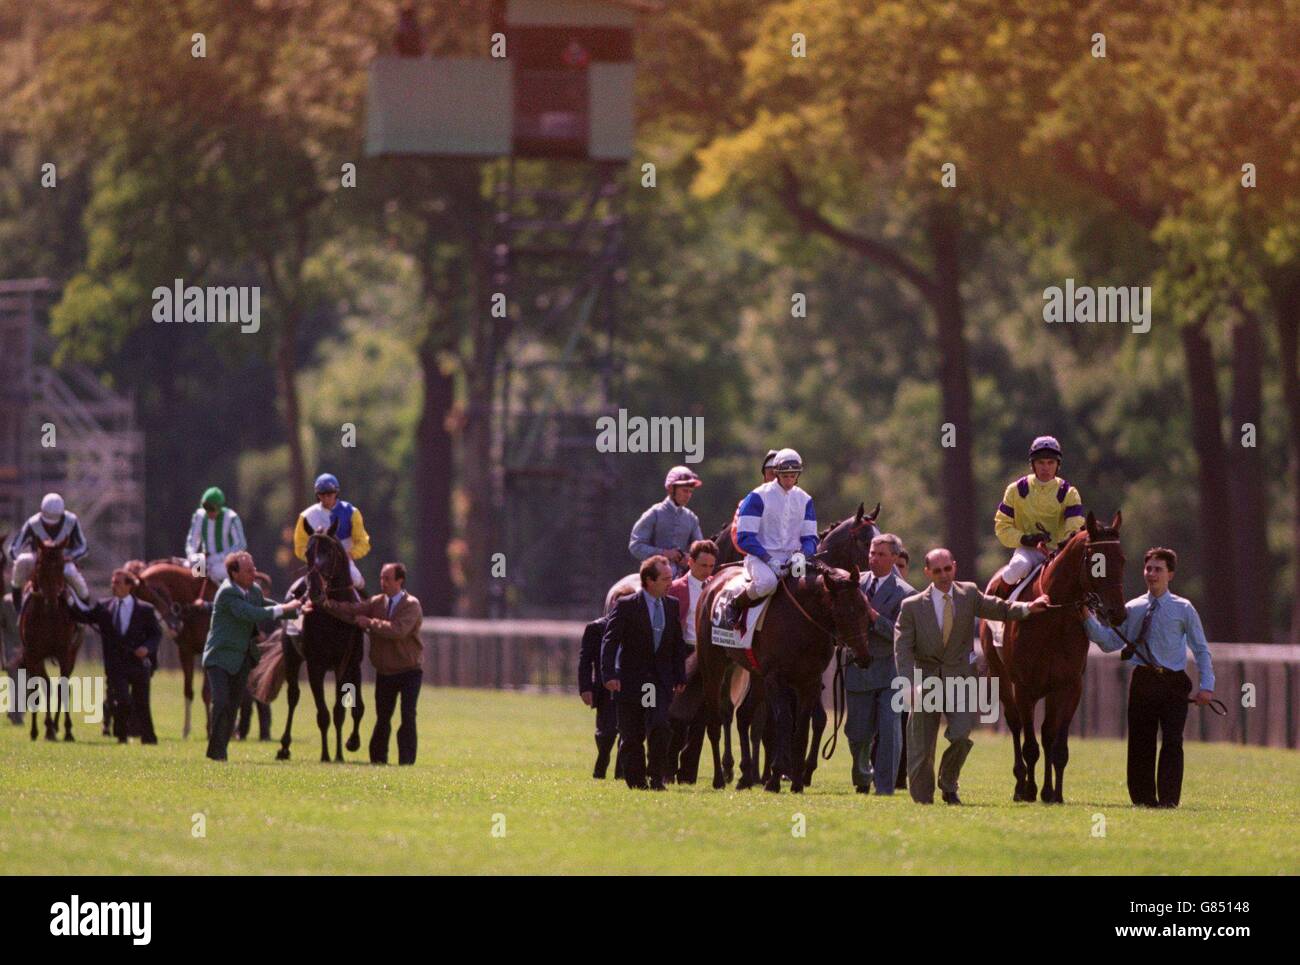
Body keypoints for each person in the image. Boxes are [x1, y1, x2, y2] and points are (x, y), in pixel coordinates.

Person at [894, 548, 1049, 804]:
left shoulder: (969, 594)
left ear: (954, 567)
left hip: (961, 679)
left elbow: (999, 608)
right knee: (922, 748)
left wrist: (1028, 607)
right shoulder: (911, 607)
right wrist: (908, 683)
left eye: (947, 569)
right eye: (937, 571)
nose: (943, 575)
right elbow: (902, 648)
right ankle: (922, 799)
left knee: (960, 734)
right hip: (925, 682)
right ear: (927, 572)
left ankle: (948, 782)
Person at [1081, 547, 1215, 808]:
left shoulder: (1184, 609)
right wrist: (1088, 619)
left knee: (1173, 743)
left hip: (1174, 682)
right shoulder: (1132, 608)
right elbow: (1109, 643)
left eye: (1158, 569)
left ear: (1170, 574)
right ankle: (1143, 799)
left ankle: (1168, 801)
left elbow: (1200, 649)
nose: (1151, 574)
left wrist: (1207, 686)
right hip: (1143, 681)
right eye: (1148, 568)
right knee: (1141, 742)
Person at [317, 562, 425, 765]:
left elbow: (398, 630)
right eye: (381, 578)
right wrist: (326, 604)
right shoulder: (377, 602)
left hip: (409, 671)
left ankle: (407, 761)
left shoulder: (411, 605)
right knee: (383, 717)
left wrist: (370, 623)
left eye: (387, 578)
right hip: (385, 671)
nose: (382, 582)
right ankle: (378, 759)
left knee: (407, 715)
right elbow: (351, 609)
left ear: (399, 581)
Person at [202, 551, 301, 761]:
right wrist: (284, 608)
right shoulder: (227, 592)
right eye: (248, 570)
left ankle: (221, 750)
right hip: (219, 658)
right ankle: (216, 751)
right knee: (220, 701)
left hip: (242, 659)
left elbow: (264, 605)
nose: (254, 573)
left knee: (233, 706)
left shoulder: (253, 590)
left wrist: (299, 610)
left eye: (254, 568)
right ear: (234, 573)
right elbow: (249, 613)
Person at [601, 556, 688, 790]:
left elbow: (676, 644)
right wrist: (608, 675)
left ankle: (655, 775)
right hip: (630, 681)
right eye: (666, 578)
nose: (671, 582)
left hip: (658, 682)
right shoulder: (627, 605)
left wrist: (680, 675)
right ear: (649, 581)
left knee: (660, 725)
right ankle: (636, 780)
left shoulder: (671, 605)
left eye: (672, 577)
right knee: (633, 734)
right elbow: (610, 641)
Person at [847, 534, 913, 795]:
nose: (874, 558)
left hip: (889, 672)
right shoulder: (853, 584)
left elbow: (901, 634)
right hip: (857, 669)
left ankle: (884, 787)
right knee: (858, 733)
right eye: (872, 553)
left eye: (881, 554)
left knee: (890, 732)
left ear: (895, 558)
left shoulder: (906, 594)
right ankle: (862, 777)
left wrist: (873, 616)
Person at [724, 448, 817, 627]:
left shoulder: (805, 499)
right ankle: (735, 603)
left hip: (793, 558)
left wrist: (802, 555)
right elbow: (744, 537)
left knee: (810, 588)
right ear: (777, 474)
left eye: (793, 475)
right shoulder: (757, 496)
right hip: (760, 557)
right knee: (768, 583)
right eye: (785, 476)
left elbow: (810, 538)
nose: (789, 480)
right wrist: (768, 558)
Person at [69, 569, 161, 743]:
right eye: (112, 582)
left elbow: (156, 634)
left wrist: (147, 648)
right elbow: (83, 616)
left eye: (118, 582)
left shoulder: (145, 609)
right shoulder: (103, 606)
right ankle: (121, 735)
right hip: (115, 665)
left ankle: (149, 738)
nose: (113, 585)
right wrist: (68, 599)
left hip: (138, 663)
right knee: (122, 700)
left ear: (129, 586)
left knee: (141, 703)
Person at [992, 436, 1086, 593]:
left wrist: (1062, 547)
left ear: (1058, 465)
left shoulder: (1069, 493)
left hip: (1060, 555)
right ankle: (996, 608)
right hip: (1029, 552)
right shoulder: (1016, 490)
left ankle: (1093, 616)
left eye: (1051, 463)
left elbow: (1074, 529)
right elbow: (1002, 528)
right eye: (1040, 462)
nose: (1046, 468)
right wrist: (1025, 539)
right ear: (1033, 465)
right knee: (1017, 567)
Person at [665, 539, 718, 782]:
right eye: (703, 565)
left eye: (711, 566)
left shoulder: (717, 589)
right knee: (676, 716)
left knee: (701, 717)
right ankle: (667, 766)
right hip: (683, 653)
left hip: (707, 655)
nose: (707, 570)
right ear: (690, 562)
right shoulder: (675, 588)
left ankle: (688, 774)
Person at [578, 584, 637, 779]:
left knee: (627, 731)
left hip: (629, 685)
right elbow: (585, 661)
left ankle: (621, 773)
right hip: (604, 688)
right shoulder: (596, 628)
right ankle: (601, 766)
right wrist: (585, 688)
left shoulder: (638, 631)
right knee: (606, 731)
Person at [8, 492, 91, 609]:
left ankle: (86, 612)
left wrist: (71, 557)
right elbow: (13, 548)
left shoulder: (72, 521)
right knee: (22, 561)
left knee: (72, 574)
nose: (50, 526)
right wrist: (23, 564)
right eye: (47, 522)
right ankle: (18, 605)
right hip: (39, 560)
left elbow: (83, 546)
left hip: (63, 560)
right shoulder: (33, 522)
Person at [293, 473, 371, 590]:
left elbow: (363, 542)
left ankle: (367, 605)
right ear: (317, 495)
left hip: (344, 562)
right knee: (296, 591)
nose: (326, 498)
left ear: (336, 492)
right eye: (322, 494)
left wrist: (350, 554)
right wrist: (314, 558)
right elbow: (300, 546)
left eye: (329, 494)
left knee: (357, 580)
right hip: (318, 565)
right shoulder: (306, 516)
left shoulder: (352, 512)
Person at [629, 466, 704, 578]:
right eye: (684, 490)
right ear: (670, 489)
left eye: (690, 492)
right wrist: (664, 553)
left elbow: (700, 550)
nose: (688, 495)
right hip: (653, 577)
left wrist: (689, 559)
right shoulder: (654, 513)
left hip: (682, 577)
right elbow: (635, 546)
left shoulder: (691, 518)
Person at [184, 486, 247, 596]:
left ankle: (222, 601)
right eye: (205, 507)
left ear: (219, 507)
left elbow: (241, 544)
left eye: (212, 509)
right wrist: (192, 555)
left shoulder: (231, 517)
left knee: (216, 572)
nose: (209, 512)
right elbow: (192, 541)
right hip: (205, 560)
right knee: (187, 573)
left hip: (225, 562)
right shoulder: (199, 516)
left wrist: (220, 557)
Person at [0, 557, 21, 724]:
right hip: (11, 648)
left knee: (30, 684)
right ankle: (16, 716)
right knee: (15, 681)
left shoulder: (33, 600)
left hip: (28, 650)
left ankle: (16, 711)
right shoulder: (6, 602)